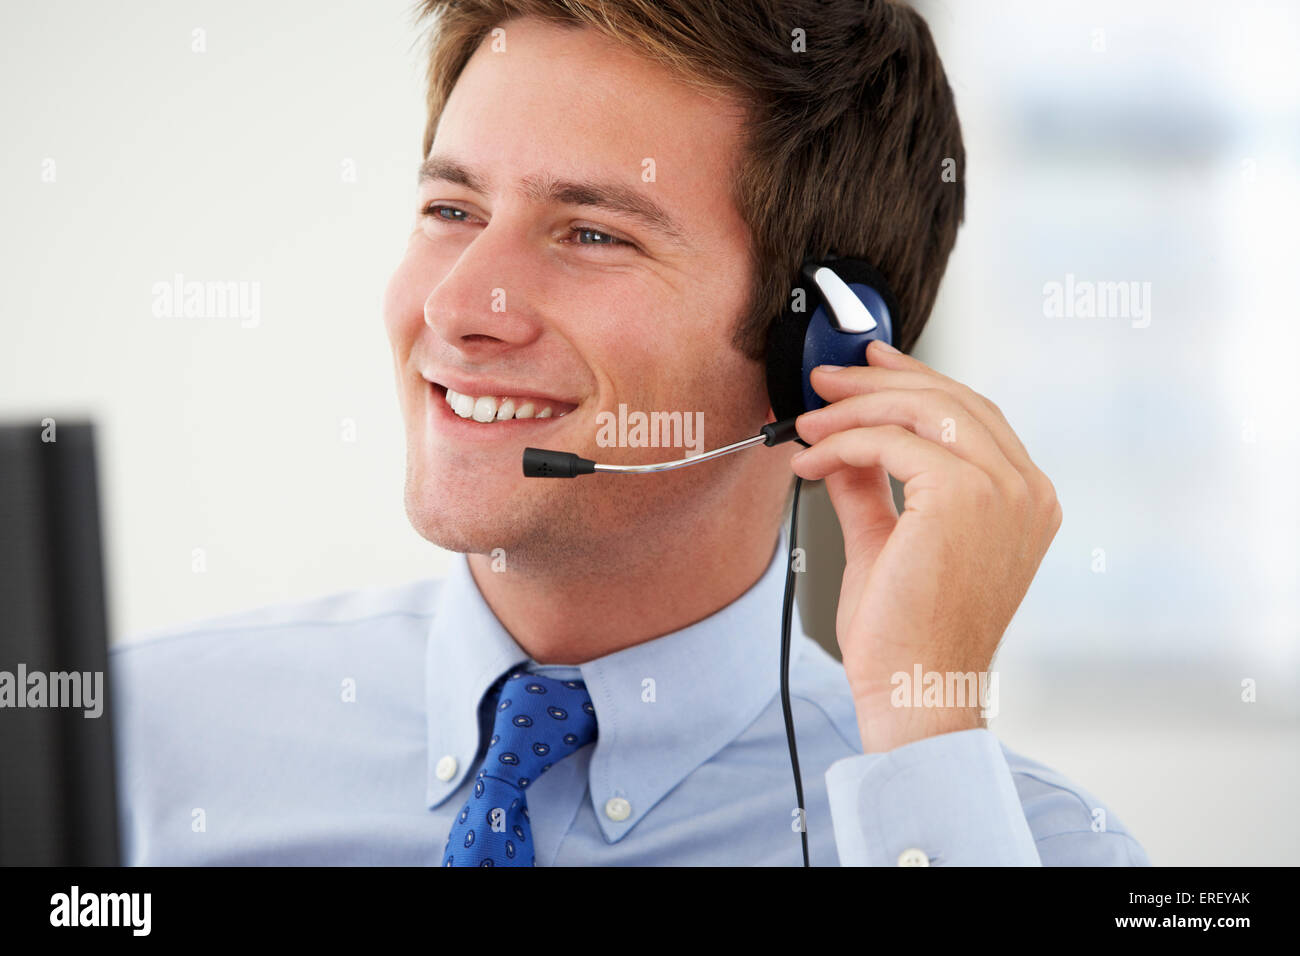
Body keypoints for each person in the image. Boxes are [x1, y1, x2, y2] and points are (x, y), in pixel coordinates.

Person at [111, 0, 1150, 866]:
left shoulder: (1025, 841)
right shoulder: (122, 746)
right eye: (452, 210)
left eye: (592, 233)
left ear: (817, 360)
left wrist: (922, 731)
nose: (462, 306)